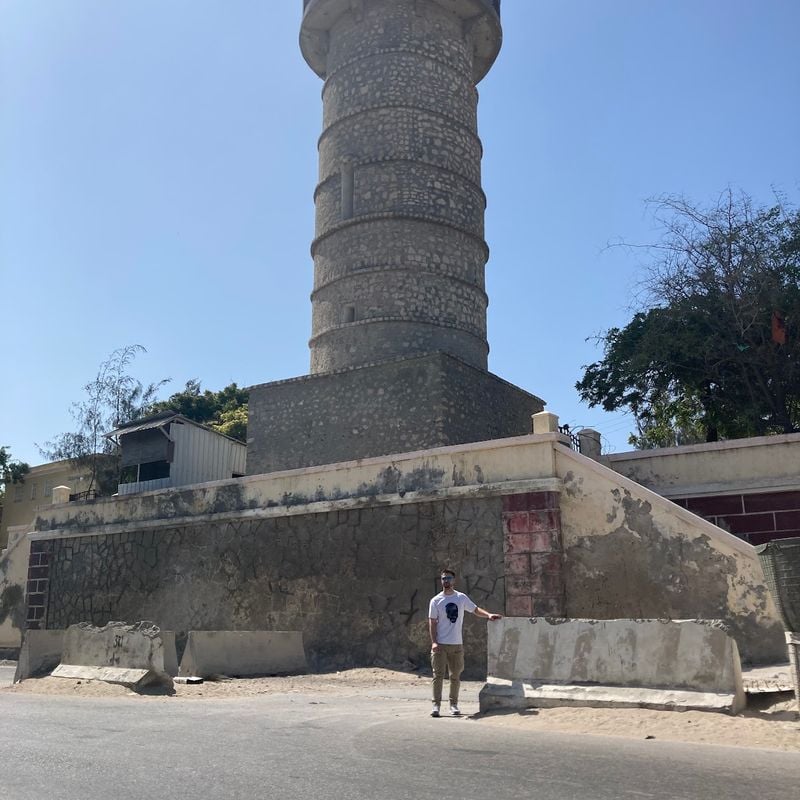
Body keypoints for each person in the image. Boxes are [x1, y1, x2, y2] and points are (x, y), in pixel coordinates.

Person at [428, 568, 502, 717]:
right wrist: (434, 642)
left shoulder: (461, 598)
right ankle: (436, 705)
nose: (446, 581)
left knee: (455, 675)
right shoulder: (436, 600)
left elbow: (474, 610)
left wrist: (488, 615)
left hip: (457, 644)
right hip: (440, 645)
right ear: (441, 581)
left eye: (448, 578)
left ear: (454, 581)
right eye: (443, 578)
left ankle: (453, 705)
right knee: (438, 675)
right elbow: (432, 622)